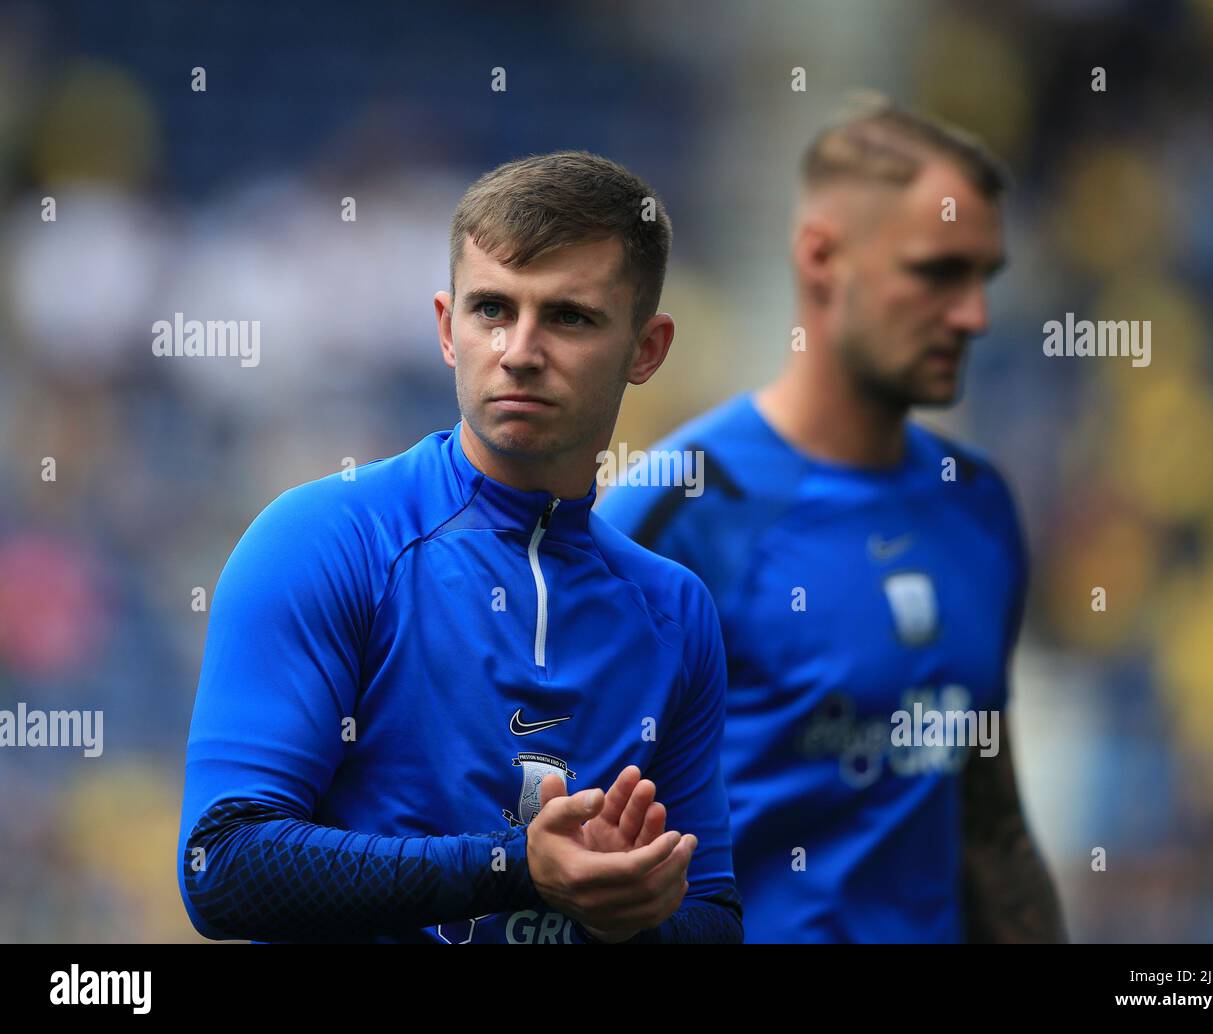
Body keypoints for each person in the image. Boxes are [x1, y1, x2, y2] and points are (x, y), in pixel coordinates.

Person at [177, 150, 742, 944]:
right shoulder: (325, 541)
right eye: (491, 310)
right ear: (447, 328)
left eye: (569, 317)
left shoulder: (676, 612)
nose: (519, 350)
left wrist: (632, 911)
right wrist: (518, 870)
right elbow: (221, 864)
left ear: (646, 349)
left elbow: (713, 915)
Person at [598, 94, 1066, 943]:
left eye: (983, 276)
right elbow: (578, 856)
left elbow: (992, 830)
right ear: (822, 258)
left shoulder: (980, 505)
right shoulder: (676, 510)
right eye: (936, 272)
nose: (974, 315)